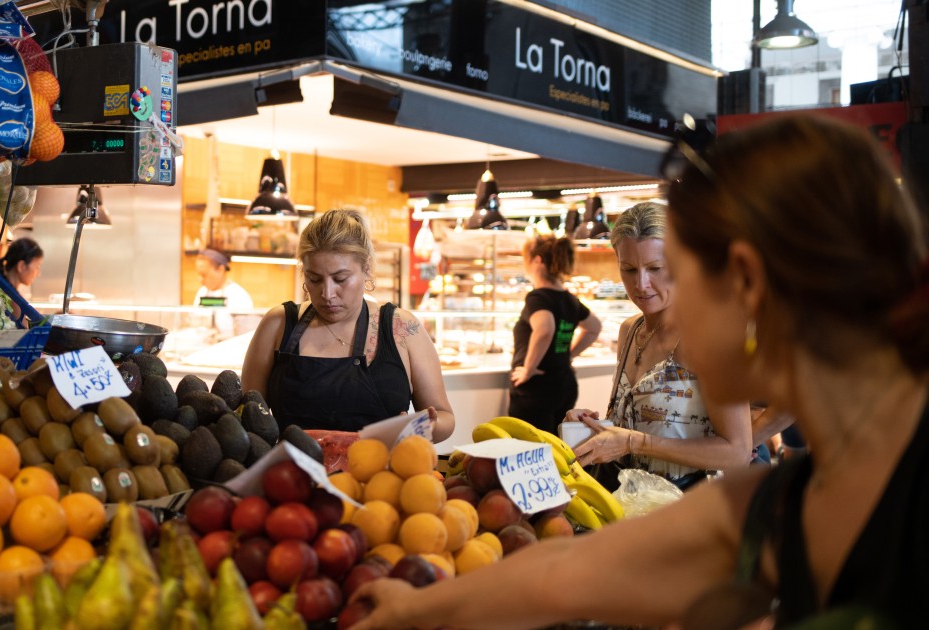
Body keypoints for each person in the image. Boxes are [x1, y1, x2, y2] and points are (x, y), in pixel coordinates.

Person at [351, 115, 929, 629]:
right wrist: (417, 611)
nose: (656, 295)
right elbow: (569, 573)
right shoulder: (790, 501)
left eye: (682, 274)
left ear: (746, 282)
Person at [565, 201, 752, 491]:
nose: (641, 283)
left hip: (687, 511)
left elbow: (737, 451)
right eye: (628, 269)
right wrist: (597, 427)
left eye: (656, 268)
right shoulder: (631, 330)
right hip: (626, 503)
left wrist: (632, 443)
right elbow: (642, 422)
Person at [242, 209, 455, 442]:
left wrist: (426, 426)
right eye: (314, 279)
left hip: (381, 476)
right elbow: (247, 416)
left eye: (340, 279)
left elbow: (444, 417)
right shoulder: (278, 325)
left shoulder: (401, 329)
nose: (327, 293)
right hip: (292, 475)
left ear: (367, 269)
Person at [508, 235, 602, 434]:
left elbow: (545, 329)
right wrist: (567, 356)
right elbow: (594, 327)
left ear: (538, 261)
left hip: (536, 389)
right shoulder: (569, 299)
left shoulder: (539, 296)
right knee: (556, 448)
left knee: (530, 452)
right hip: (564, 384)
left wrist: (528, 368)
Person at [193, 248, 255, 340]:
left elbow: (244, 337)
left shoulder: (239, 296)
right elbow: (194, 323)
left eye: (204, 275)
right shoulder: (202, 292)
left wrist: (221, 338)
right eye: (199, 274)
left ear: (221, 270)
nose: (200, 280)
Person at [0, 237, 43, 320]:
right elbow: (25, 329)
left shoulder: (4, 289)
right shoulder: (13, 300)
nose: (38, 273)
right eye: (37, 266)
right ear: (22, 266)